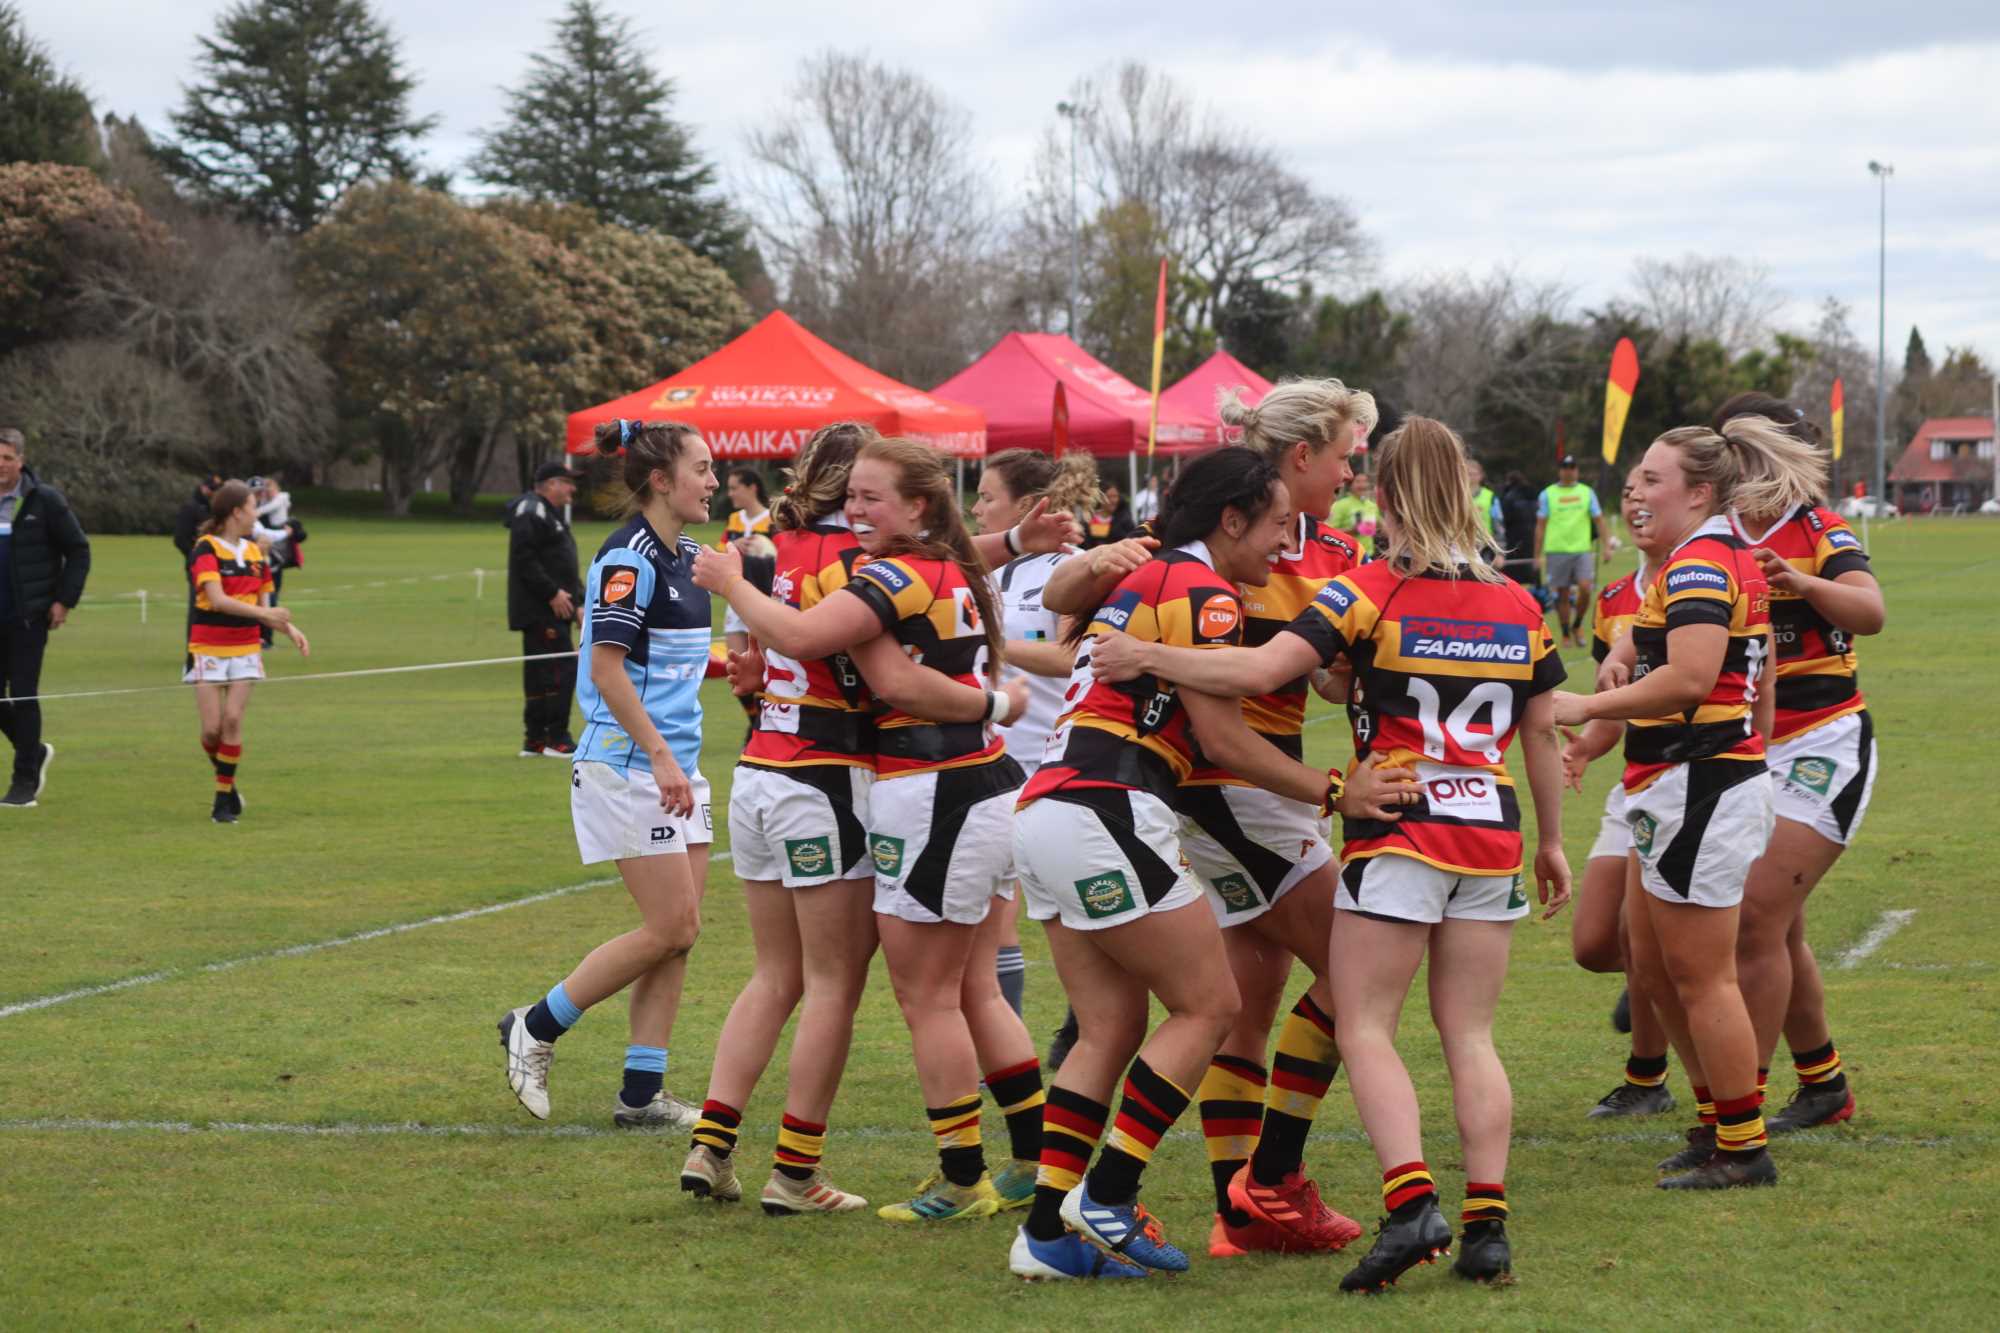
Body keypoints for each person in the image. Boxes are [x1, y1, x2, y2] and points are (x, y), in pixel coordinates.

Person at [1097, 418, 1569, 1289]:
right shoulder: (1519, 602)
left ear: (1382, 496)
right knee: (1470, 1034)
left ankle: (1410, 1203)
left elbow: (1252, 674)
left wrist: (1143, 652)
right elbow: (1541, 732)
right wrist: (1553, 841)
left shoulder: (1367, 589)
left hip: (1400, 825)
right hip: (1492, 834)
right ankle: (1488, 1226)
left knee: (1364, 1022)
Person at [1008, 446, 1409, 1281]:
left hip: (1046, 809)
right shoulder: (1203, 592)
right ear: (1231, 519)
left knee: (1109, 1026)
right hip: (1108, 806)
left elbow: (1061, 599)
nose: (1284, 544)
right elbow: (1224, 738)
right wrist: (1336, 790)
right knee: (1211, 1005)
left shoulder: (1143, 575)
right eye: (1275, 526)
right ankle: (1109, 1193)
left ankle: (1045, 1231)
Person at [696, 436, 1064, 1226]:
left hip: (933, 787)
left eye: (871, 498)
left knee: (928, 995)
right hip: (968, 782)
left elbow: (844, 655)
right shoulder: (935, 562)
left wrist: (730, 582)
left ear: (917, 505)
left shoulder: (883, 571)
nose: (856, 512)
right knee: (970, 987)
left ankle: (962, 1178)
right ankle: (1036, 1159)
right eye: (852, 496)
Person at [1551, 416, 1814, 1191]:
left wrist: (1585, 706)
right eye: (1635, 476)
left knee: (1702, 977)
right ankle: (1715, 1122)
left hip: (1698, 784)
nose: (1635, 489)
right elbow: (1758, 683)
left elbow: (1694, 677)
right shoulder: (1711, 557)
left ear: (1699, 493)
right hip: (1681, 782)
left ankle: (1742, 1147)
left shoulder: (1700, 562)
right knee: (1653, 968)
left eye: (1652, 478)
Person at [498, 419, 718, 1133]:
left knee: (680, 934)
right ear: (660, 479)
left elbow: (669, 658)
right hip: (630, 765)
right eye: (702, 469)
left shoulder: (692, 558)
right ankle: (535, 1024)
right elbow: (605, 669)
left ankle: (641, 1094)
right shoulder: (630, 557)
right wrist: (658, 753)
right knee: (672, 923)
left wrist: (730, 666)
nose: (714, 481)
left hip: (676, 765)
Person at [1711, 394, 1882, 1135]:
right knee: (1775, 927)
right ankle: (1823, 1083)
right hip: (1744, 747)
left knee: (1756, 915)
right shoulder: (1714, 532)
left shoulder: (1817, 529)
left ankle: (1738, 1110)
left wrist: (1803, 583)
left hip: (1822, 743)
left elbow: (1870, 611)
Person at [970, 449, 1103, 1021]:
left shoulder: (1072, 568)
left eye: (986, 497)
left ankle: (1085, 1023)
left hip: (1058, 761)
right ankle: (1010, 1044)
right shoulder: (986, 569)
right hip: (992, 760)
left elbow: (1072, 657)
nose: (975, 509)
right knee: (997, 909)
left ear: (1028, 506)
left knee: (1075, 905)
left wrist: (990, 645)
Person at [1561, 486, 1677, 1118]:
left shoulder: (1708, 580)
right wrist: (1585, 747)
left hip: (1693, 780)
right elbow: (1611, 703)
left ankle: (1647, 1078)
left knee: (1643, 936)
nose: (1637, 502)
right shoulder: (1612, 600)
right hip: (1634, 782)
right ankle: (1655, 976)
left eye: (1651, 487)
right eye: (1630, 491)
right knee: (1593, 943)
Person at [184, 480, 310, 824]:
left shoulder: (256, 553)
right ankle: (228, 783)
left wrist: (291, 630)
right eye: (254, 507)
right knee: (211, 731)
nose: (257, 514)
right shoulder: (206, 548)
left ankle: (222, 802)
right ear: (236, 512)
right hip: (208, 646)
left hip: (246, 648)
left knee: (233, 720)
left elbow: (265, 607)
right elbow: (218, 600)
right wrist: (267, 615)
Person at [0, 428, 90, 809]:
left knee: (23, 695)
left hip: (27, 618)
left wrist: (64, 601)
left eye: (7, 458)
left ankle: (24, 781)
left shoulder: (44, 500)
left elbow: (79, 550)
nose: (1, 465)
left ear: (21, 461)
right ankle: (33, 751)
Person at [506, 461, 583, 758]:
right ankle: (556, 738)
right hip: (541, 610)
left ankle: (535, 739)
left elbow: (560, 563)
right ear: (551, 484)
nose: (572, 488)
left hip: (556, 609)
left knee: (540, 672)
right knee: (559, 670)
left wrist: (577, 602)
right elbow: (524, 558)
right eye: (567, 482)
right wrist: (551, 593)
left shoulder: (548, 512)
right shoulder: (531, 510)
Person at [1535, 454, 1610, 649]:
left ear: (1577, 470)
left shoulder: (1587, 492)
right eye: (1565, 467)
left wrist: (1607, 546)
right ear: (1560, 471)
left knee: (1585, 588)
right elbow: (1540, 525)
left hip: (1581, 550)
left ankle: (1577, 625)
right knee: (1562, 595)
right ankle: (1566, 632)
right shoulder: (1547, 494)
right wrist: (1537, 555)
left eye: (1572, 467)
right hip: (1556, 550)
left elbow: (1600, 521)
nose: (1569, 471)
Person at [173, 472, 224, 560]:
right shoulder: (189, 508)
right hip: (198, 560)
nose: (215, 492)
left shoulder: (217, 508)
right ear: (203, 487)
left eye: (217, 489)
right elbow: (180, 539)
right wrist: (195, 556)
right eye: (212, 489)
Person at [1328, 472, 1380, 542]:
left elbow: (1380, 524)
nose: (1362, 485)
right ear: (1350, 485)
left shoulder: (1372, 505)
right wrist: (1351, 531)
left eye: (1365, 481)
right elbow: (1328, 532)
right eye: (1358, 481)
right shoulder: (1341, 505)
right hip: (1348, 548)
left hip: (1368, 549)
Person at [1083, 482, 1135, 548]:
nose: (1113, 500)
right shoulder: (1089, 520)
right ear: (1100, 498)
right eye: (1109, 496)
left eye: (1115, 496)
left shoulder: (1125, 520)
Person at [1467, 458, 1503, 552]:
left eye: (1475, 474)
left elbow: (1498, 524)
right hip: (1463, 547)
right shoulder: (1456, 497)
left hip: (1486, 546)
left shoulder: (1490, 496)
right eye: (1469, 473)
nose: (1472, 477)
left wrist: (1499, 552)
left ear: (1481, 475)